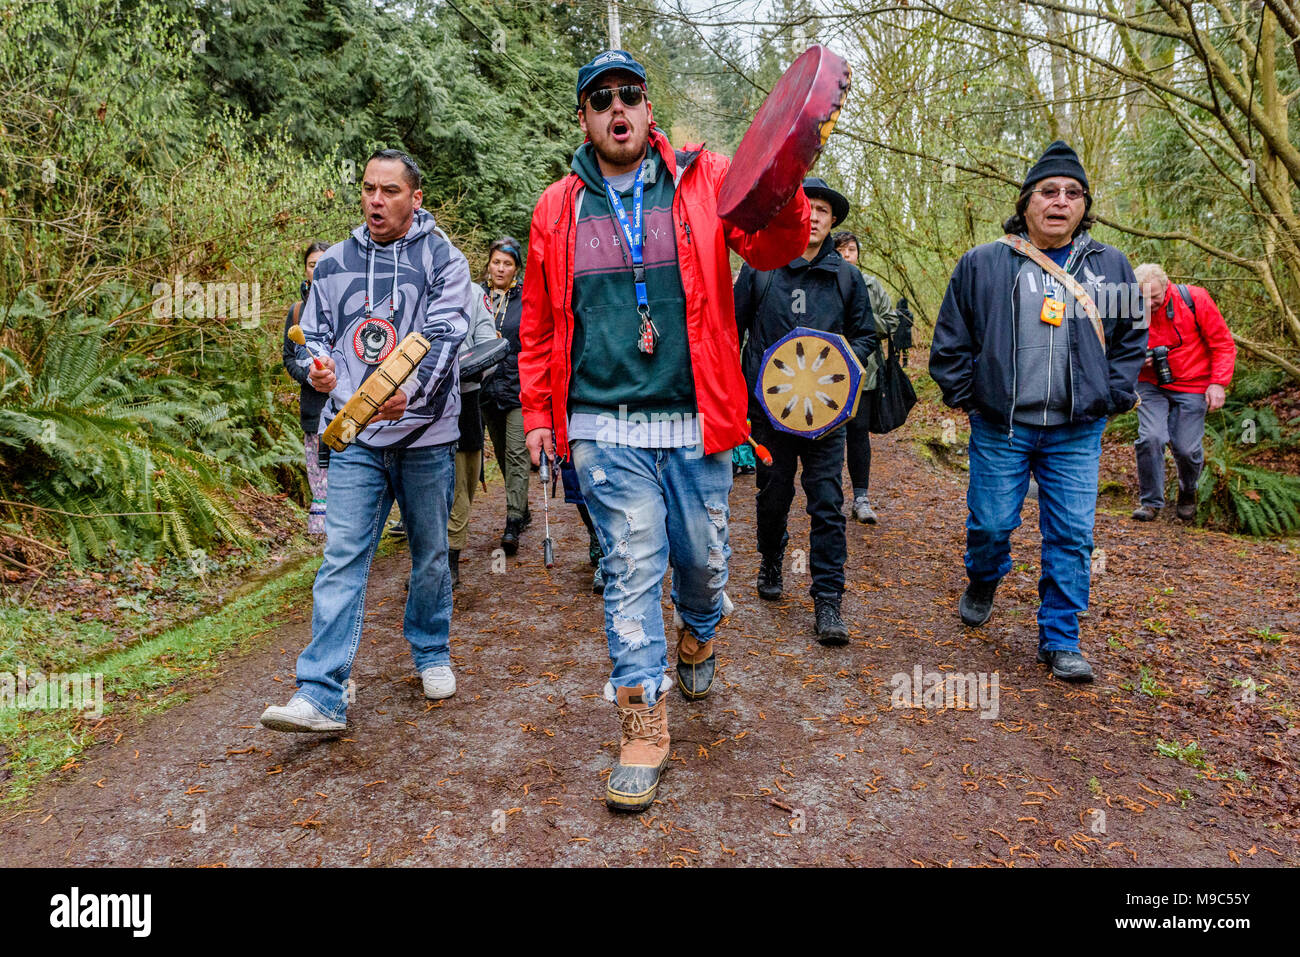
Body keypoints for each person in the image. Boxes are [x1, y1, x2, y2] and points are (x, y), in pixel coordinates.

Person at [518, 50, 810, 812]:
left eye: (630, 95)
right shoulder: (556, 207)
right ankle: (642, 723)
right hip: (603, 426)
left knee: (705, 565)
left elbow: (773, 246)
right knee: (630, 573)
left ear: (649, 109)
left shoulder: (702, 178)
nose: (618, 108)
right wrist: (540, 417)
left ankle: (702, 629)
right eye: (601, 98)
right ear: (583, 118)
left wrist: (788, 172)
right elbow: (540, 328)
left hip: (696, 419)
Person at [260, 149, 472, 732]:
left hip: (427, 433)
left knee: (429, 554)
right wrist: (315, 368)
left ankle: (431, 650)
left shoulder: (444, 260)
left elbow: (447, 334)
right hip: (354, 434)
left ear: (415, 198)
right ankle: (322, 690)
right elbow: (310, 338)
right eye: (367, 189)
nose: (375, 200)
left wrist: (415, 394)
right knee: (342, 555)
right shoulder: (333, 263)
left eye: (389, 191)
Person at [929, 141, 1146, 683]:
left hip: (1076, 431)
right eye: (1049, 191)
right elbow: (951, 337)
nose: (1060, 201)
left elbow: (1129, 340)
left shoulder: (1110, 266)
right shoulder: (983, 263)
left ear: (1084, 206)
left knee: (1073, 534)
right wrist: (968, 395)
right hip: (1002, 425)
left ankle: (1061, 638)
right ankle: (984, 576)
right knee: (991, 524)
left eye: (1073, 193)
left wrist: (1113, 394)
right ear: (1027, 201)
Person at [736, 179, 876, 645]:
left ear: (833, 221)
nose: (813, 216)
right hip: (769, 413)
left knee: (828, 504)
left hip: (827, 417)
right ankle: (772, 556)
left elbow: (864, 336)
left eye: (821, 210)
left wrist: (839, 368)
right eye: (804, 207)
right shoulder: (761, 267)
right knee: (773, 496)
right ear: (789, 214)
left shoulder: (847, 277)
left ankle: (829, 601)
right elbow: (730, 328)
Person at [1130, 263, 1236, 522]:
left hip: (1193, 382)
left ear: (1167, 286)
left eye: (1154, 297)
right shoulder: (1128, 308)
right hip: (1149, 383)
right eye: (1143, 297)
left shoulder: (1194, 299)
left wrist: (1218, 383)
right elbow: (1113, 346)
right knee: (1151, 437)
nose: (1150, 303)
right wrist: (1135, 359)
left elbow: (1222, 344)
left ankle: (1188, 491)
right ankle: (1151, 502)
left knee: (1186, 448)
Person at [833, 229, 896, 525]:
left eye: (852, 250)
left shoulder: (872, 285)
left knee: (858, 435)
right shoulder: (824, 283)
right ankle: (828, 500)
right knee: (829, 438)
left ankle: (861, 498)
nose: (847, 256)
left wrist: (864, 324)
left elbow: (893, 321)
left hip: (865, 374)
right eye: (841, 251)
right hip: (827, 376)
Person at [479, 237, 534, 555]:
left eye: (507, 263)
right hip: (486, 390)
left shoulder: (525, 298)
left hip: (518, 389)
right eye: (496, 261)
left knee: (516, 454)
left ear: (516, 269)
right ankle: (522, 508)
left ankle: (513, 521)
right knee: (502, 454)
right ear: (489, 264)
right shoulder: (477, 297)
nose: (500, 268)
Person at [447, 288, 499, 588]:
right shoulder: (406, 285)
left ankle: (450, 558)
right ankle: (428, 559)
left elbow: (488, 346)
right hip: (416, 403)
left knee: (462, 482)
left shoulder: (472, 293)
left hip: (465, 397)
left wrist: (465, 370)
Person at [281, 240, 332, 536]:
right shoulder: (297, 312)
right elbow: (288, 357)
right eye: (313, 264)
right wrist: (309, 375)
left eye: (323, 264)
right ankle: (327, 553)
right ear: (305, 269)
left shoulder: (347, 304)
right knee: (320, 480)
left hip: (346, 411)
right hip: (314, 410)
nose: (318, 270)